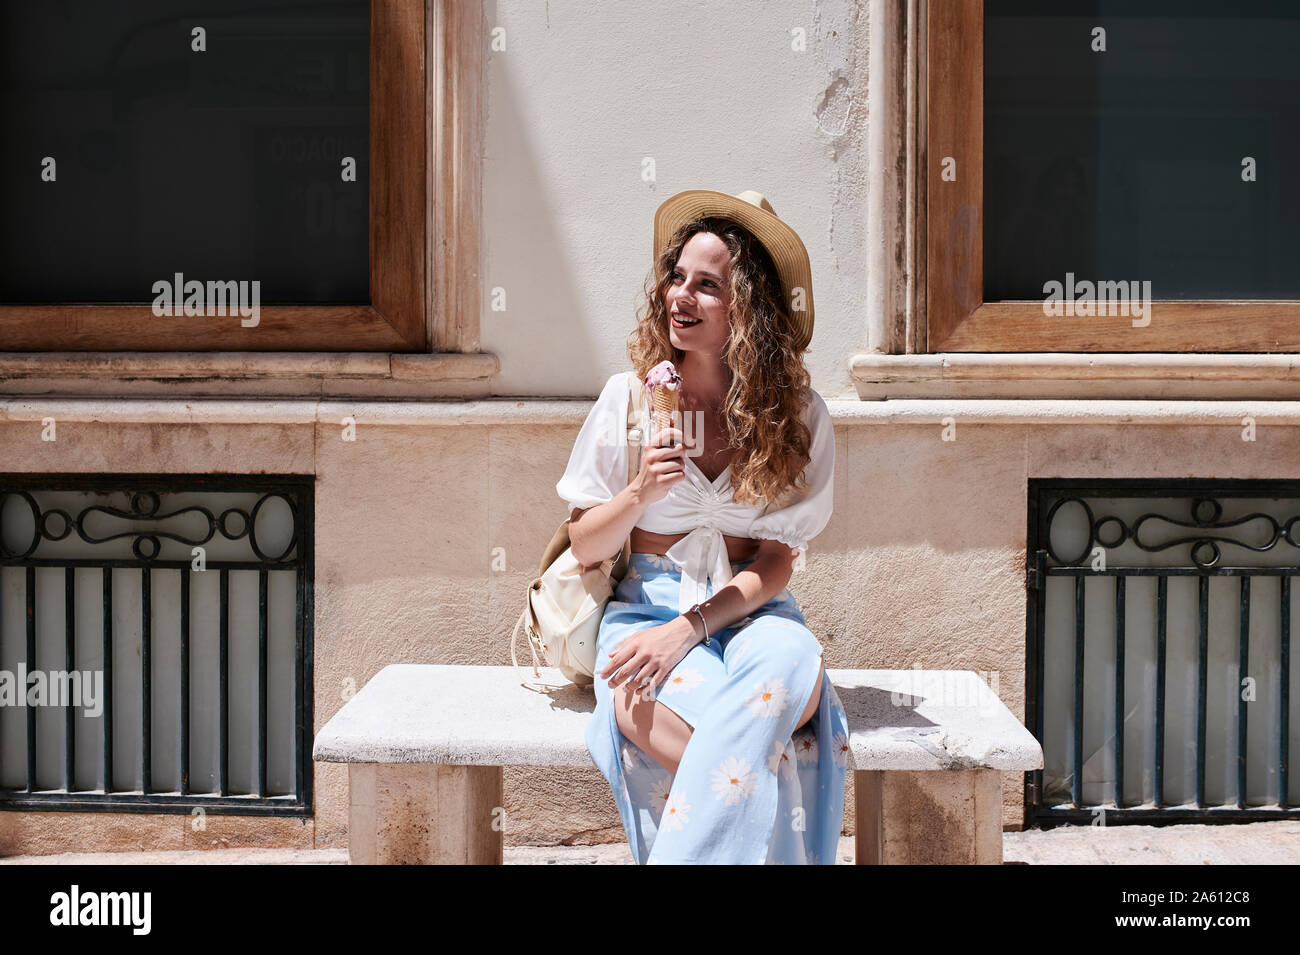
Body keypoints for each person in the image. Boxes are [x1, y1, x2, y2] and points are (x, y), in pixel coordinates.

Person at [555, 189, 847, 864]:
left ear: (747, 307)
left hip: (751, 608)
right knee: (751, 752)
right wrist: (638, 492)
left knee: (790, 665)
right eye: (676, 277)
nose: (679, 296)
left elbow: (776, 560)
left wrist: (689, 630)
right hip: (647, 607)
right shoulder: (629, 399)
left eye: (707, 285)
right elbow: (584, 544)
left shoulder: (798, 417)